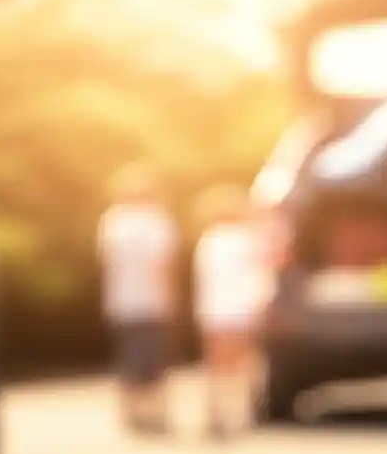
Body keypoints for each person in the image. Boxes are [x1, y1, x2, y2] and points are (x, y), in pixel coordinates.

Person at [97, 163, 180, 433]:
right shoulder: (157, 220)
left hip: (122, 299)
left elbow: (106, 261)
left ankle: (131, 411)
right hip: (152, 299)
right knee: (154, 357)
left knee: (129, 356)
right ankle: (155, 411)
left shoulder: (112, 221)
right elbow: (163, 263)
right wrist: (170, 295)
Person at [192, 184, 266, 438]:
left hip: (215, 309)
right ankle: (244, 411)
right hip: (242, 308)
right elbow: (258, 276)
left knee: (217, 365)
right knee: (245, 361)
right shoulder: (248, 238)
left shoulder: (210, 238)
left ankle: (216, 412)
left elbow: (203, 278)